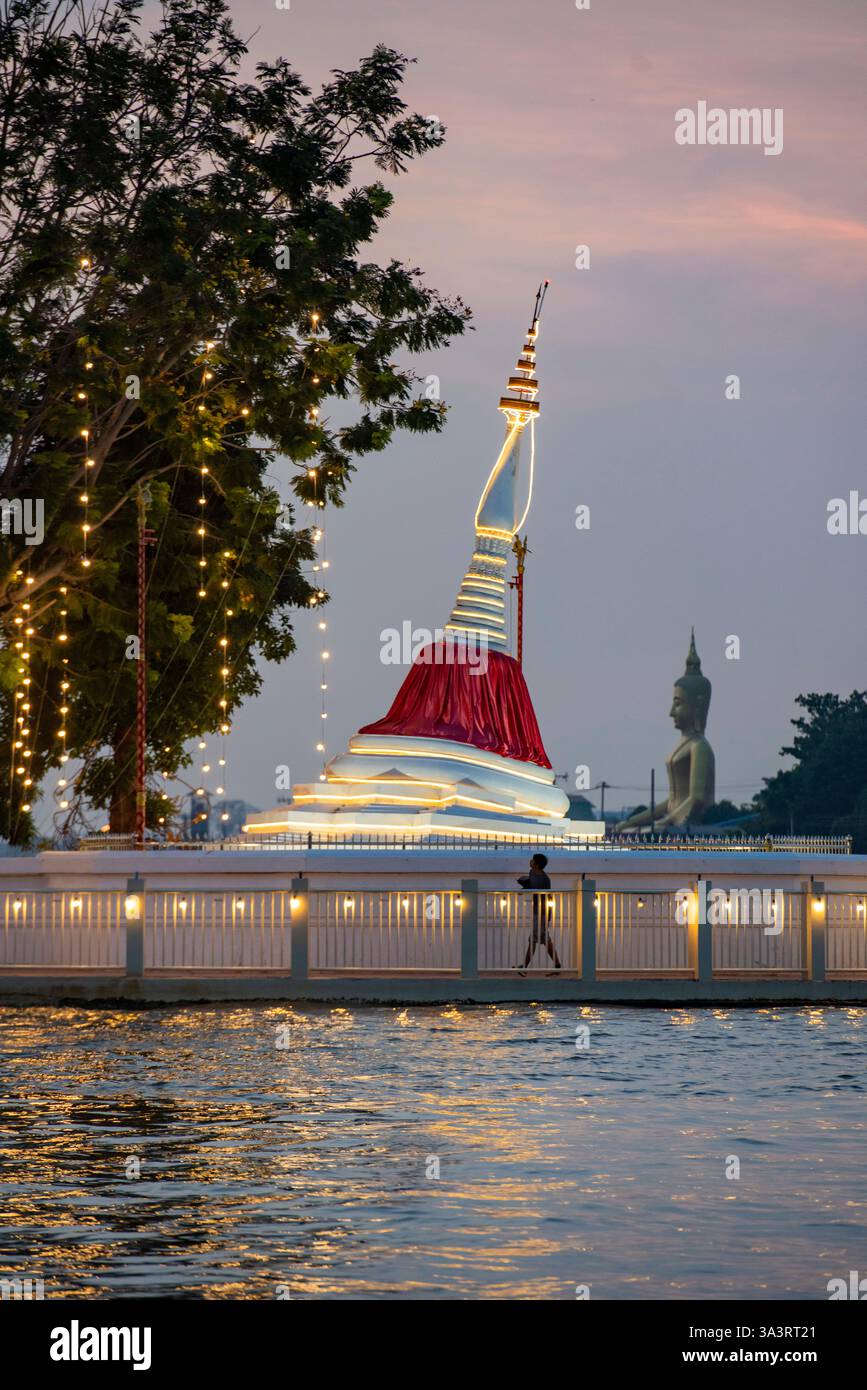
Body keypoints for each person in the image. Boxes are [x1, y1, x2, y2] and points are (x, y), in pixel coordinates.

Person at [517, 853, 561, 971]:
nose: (530, 861)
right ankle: (557, 965)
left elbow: (549, 897)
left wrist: (548, 916)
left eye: (533, 860)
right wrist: (523, 889)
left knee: (533, 939)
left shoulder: (545, 879)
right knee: (545, 939)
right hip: (536, 911)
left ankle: (524, 967)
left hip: (543, 912)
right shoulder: (532, 873)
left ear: (536, 864)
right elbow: (530, 885)